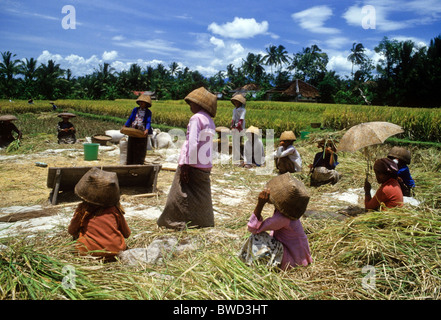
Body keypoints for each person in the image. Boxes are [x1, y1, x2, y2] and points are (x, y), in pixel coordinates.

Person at [157, 87, 217, 230]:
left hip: (193, 163)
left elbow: (193, 143)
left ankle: (172, 221)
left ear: (199, 104)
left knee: (177, 194)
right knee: (202, 195)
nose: (190, 106)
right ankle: (204, 221)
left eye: (191, 103)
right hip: (205, 164)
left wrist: (186, 165)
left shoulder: (196, 118)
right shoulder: (209, 120)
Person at [239, 174, 313, 270]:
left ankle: (253, 264)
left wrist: (260, 204)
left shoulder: (282, 218)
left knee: (257, 237)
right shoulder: (290, 212)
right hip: (298, 255)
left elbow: (253, 228)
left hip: (293, 260)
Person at [68, 168, 131, 262]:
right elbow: (127, 234)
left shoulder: (82, 209)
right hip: (115, 253)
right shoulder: (115, 210)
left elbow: (72, 231)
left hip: (87, 252)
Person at [123, 94, 153, 165]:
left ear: (146, 104)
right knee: (131, 146)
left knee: (140, 148)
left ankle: (138, 162)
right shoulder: (135, 110)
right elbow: (130, 118)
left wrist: (146, 129)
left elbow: (148, 121)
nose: (142, 103)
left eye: (143, 102)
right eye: (141, 102)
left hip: (141, 132)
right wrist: (126, 125)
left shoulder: (148, 112)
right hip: (134, 131)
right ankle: (130, 162)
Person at [230, 94, 246, 161]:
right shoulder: (234, 110)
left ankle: (239, 155)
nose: (236, 103)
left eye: (237, 102)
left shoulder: (243, 110)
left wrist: (238, 126)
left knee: (239, 140)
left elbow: (241, 119)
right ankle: (235, 154)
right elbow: (233, 118)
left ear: (240, 103)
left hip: (241, 126)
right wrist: (232, 125)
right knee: (234, 140)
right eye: (235, 102)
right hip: (235, 126)